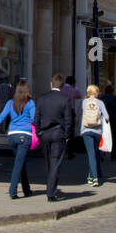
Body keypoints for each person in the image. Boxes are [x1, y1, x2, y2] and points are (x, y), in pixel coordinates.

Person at [0, 79, 36, 199]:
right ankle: (13, 191)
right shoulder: (30, 103)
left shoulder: (10, 103)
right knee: (18, 164)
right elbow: (33, 119)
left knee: (20, 162)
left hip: (12, 136)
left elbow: (2, 116)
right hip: (24, 136)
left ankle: (27, 190)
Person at [34, 72, 73, 201]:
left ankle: (50, 188)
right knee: (55, 162)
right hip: (58, 133)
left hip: (44, 134)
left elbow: (36, 118)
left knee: (48, 163)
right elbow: (68, 119)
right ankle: (50, 192)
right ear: (62, 86)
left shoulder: (42, 98)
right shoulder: (65, 98)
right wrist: (67, 135)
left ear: (51, 84)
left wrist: (38, 133)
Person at [80, 83, 110, 186]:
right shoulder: (100, 103)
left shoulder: (84, 102)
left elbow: (82, 114)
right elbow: (106, 117)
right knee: (95, 153)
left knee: (91, 154)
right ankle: (93, 176)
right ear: (96, 92)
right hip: (97, 131)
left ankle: (94, 177)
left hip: (86, 130)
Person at [63, 76, 83, 157]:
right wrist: (76, 88)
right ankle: (70, 151)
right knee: (71, 131)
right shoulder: (73, 89)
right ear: (73, 83)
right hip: (70, 110)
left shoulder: (61, 88)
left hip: (61, 110)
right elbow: (79, 95)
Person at [101, 83, 116, 162]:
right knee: (114, 138)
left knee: (103, 137)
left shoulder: (102, 98)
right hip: (114, 119)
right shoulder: (115, 98)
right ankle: (113, 156)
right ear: (112, 91)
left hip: (105, 120)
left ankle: (102, 154)